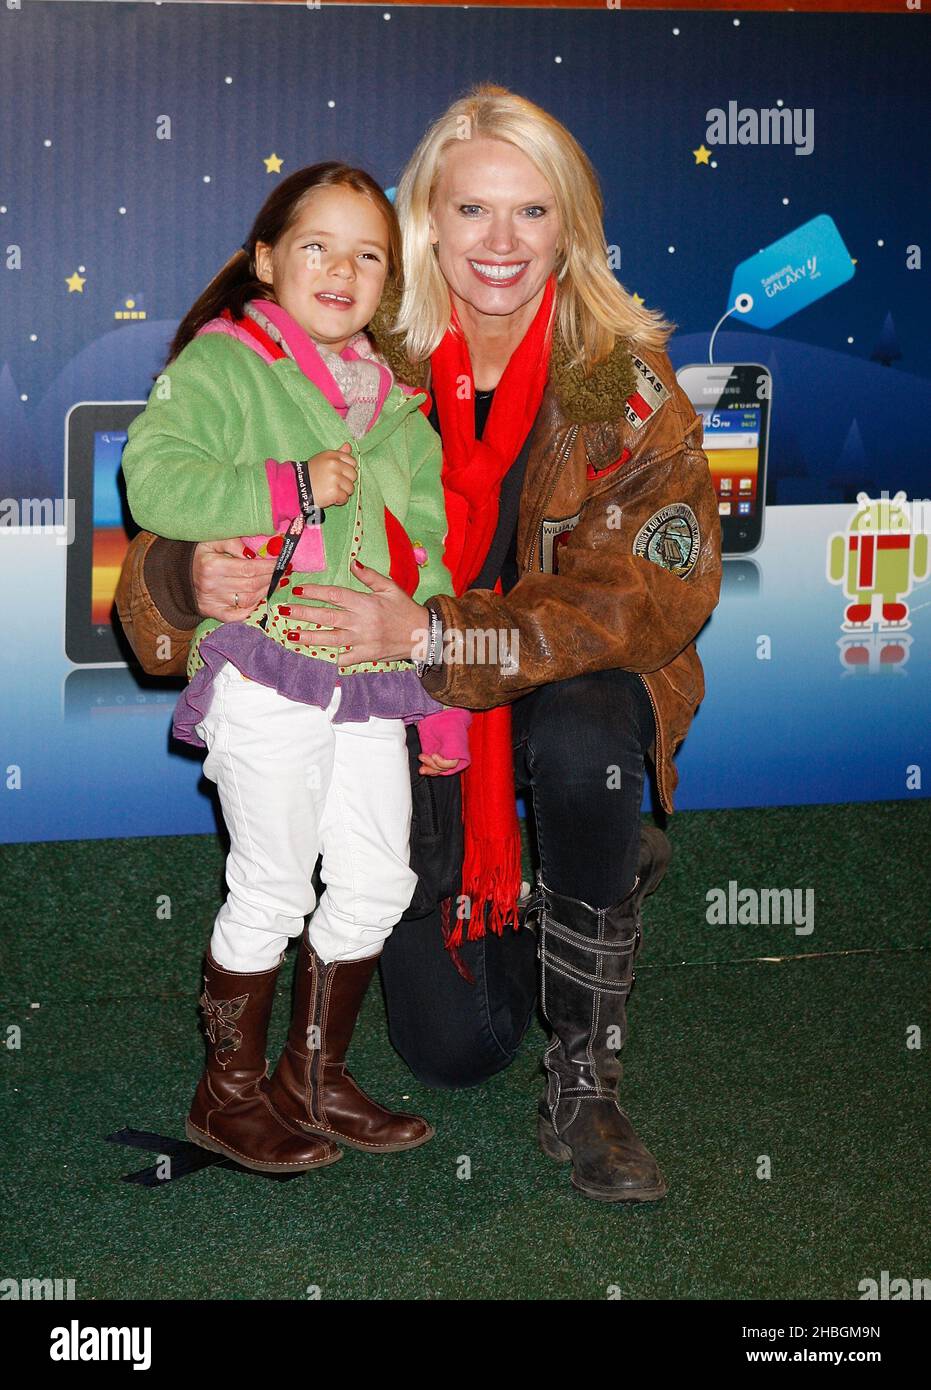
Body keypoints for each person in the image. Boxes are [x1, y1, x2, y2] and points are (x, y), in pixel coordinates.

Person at [116, 85, 722, 1202]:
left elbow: (649, 595)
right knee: (456, 1048)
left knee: (590, 740)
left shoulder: (603, 372)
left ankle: (587, 1074)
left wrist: (443, 627)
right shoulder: (372, 338)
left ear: (570, 227)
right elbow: (187, 492)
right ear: (424, 222)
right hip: (397, 696)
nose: (499, 244)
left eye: (531, 213)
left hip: (528, 673)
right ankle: (553, 898)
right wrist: (181, 575)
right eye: (470, 211)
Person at [121, 162, 473, 1175]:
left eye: (369, 255)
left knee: (378, 875)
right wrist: (288, 486)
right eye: (317, 246)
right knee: (270, 883)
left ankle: (310, 1074)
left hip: (372, 680)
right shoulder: (224, 365)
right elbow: (155, 476)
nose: (342, 269)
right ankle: (223, 1095)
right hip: (266, 668)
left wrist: (439, 696)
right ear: (267, 258)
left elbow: (430, 553)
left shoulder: (398, 405)